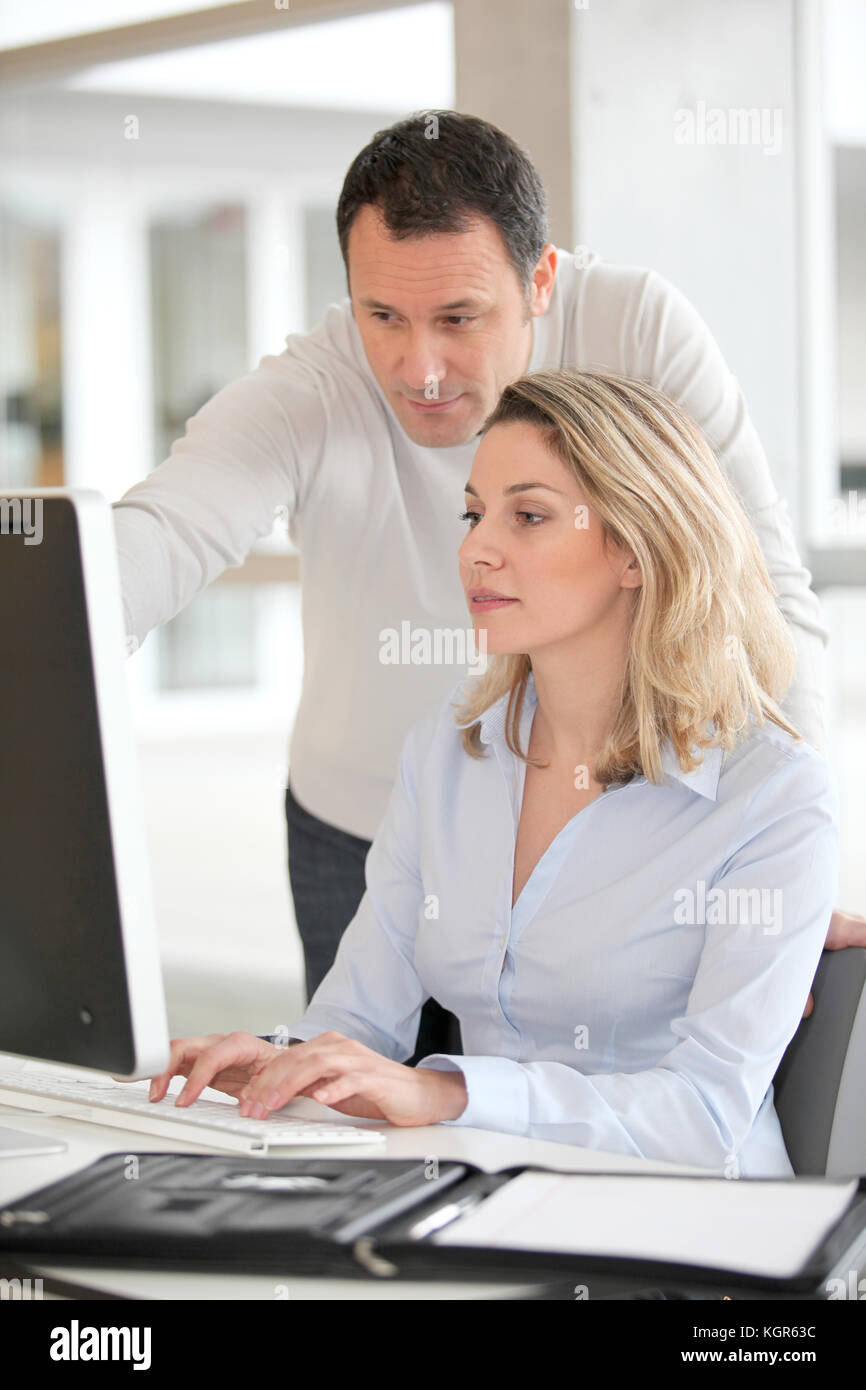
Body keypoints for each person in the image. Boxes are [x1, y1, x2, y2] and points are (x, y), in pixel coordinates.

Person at [112, 110, 864, 1062]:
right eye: (381, 316)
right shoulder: (316, 385)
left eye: (459, 319)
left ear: (540, 280)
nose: (418, 370)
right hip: (362, 821)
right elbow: (161, 535)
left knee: (549, 1115)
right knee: (348, 1103)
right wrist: (52, 625)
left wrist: (785, 874)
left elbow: (763, 590)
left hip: (603, 812)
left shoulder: (637, 328)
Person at [143, 369, 839, 1177]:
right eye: (474, 513)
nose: (476, 547)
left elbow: (707, 1112)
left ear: (635, 550)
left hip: (690, 1238)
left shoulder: (773, 794)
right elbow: (357, 1021)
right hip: (487, 1203)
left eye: (529, 516)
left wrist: (449, 1095)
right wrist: (272, 1064)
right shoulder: (449, 750)